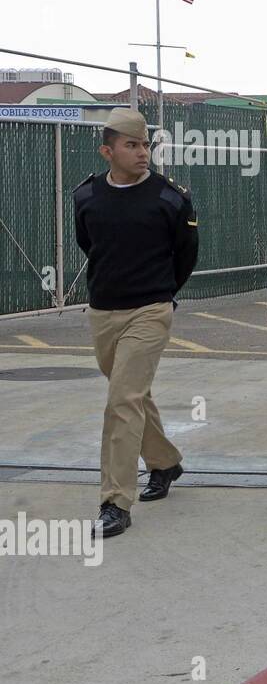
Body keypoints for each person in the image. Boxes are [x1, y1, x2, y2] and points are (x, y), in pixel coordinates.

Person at [74, 107, 199, 538]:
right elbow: (89, 244)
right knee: (130, 395)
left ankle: (115, 502)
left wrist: (163, 292)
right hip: (104, 310)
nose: (143, 152)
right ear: (108, 150)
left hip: (151, 309)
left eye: (146, 144)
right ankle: (165, 462)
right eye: (132, 145)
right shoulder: (87, 196)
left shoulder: (169, 198)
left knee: (121, 401)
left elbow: (186, 254)